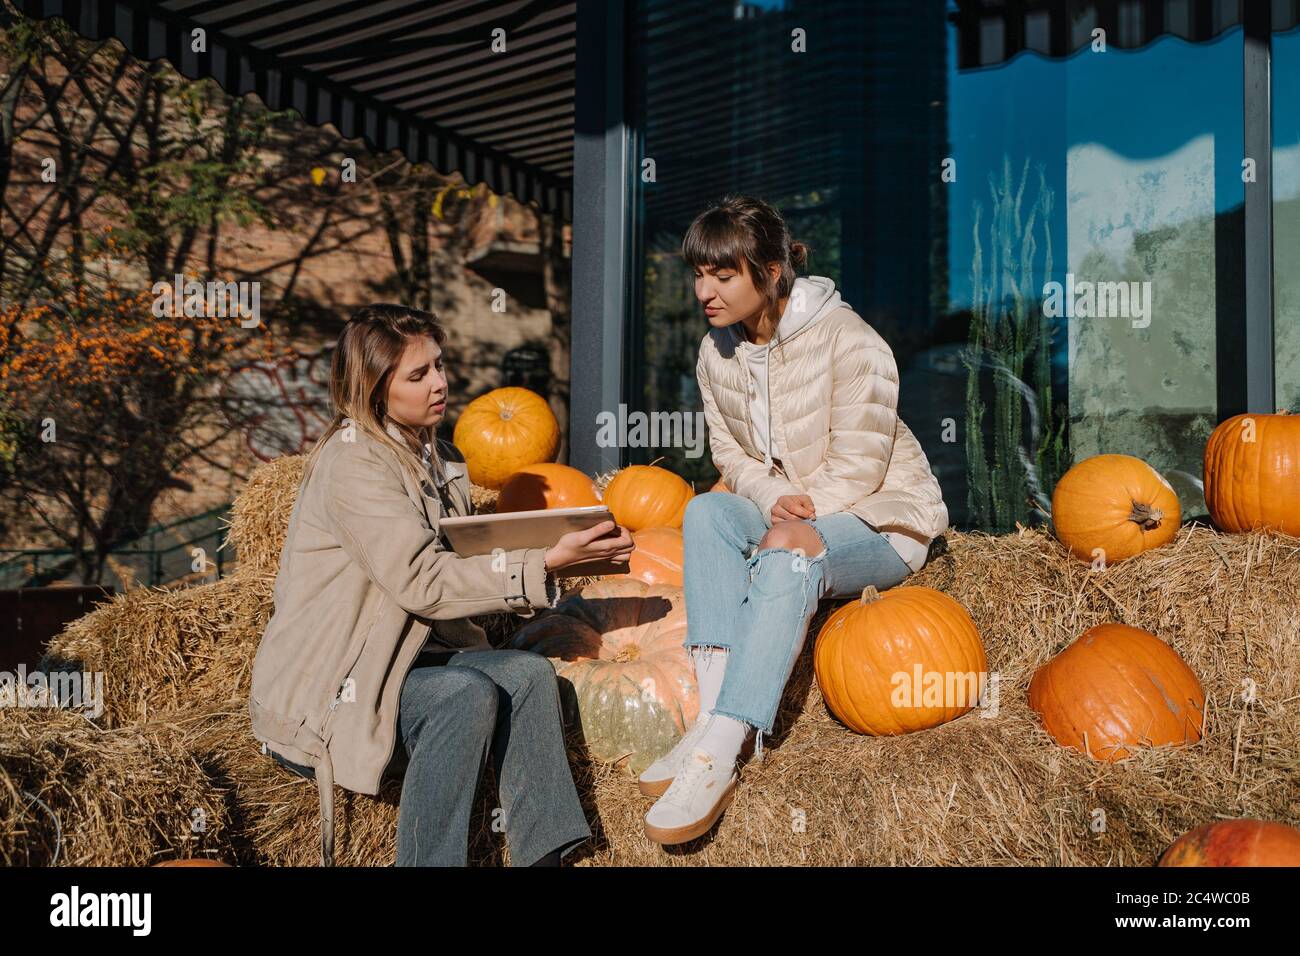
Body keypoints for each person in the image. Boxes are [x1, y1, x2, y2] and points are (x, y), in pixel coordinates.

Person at [248, 303, 634, 866]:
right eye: (419, 374)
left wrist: (560, 557)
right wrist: (543, 563)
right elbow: (423, 581)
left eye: (440, 366)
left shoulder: (438, 457)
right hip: (339, 688)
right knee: (465, 696)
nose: (441, 383)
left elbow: (462, 569)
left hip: (407, 662)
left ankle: (546, 859)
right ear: (374, 388)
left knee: (527, 674)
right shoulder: (354, 464)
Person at [639, 196, 950, 845]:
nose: (704, 291)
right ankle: (710, 718)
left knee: (788, 549)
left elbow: (863, 464)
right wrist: (770, 493)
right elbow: (726, 451)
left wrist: (793, 519)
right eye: (698, 274)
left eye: (722, 276)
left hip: (880, 519)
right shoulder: (713, 352)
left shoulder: (850, 339)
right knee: (707, 512)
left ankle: (723, 749)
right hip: (790, 510)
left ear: (772, 270)